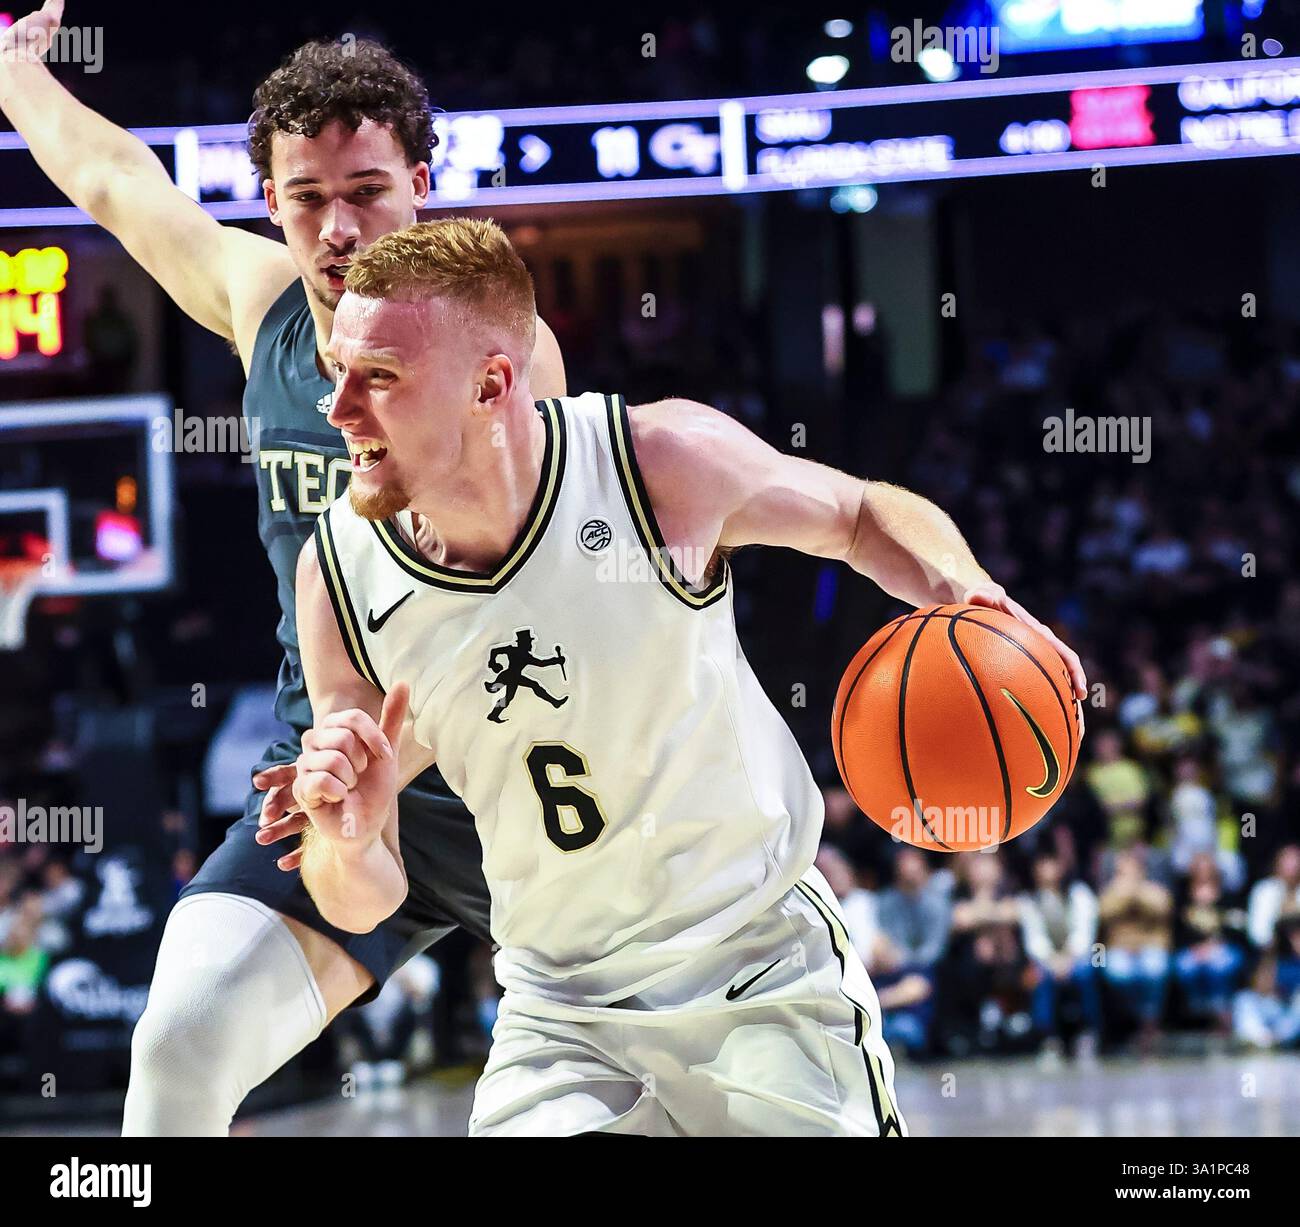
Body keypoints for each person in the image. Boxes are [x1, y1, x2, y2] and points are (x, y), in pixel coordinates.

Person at [284, 217, 1087, 1135]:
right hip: (561, 1009)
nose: (339, 408)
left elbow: (861, 515)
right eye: (338, 371)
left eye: (378, 377)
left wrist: (969, 591)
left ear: (492, 383)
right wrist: (345, 840)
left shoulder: (653, 465)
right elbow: (364, 893)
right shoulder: (339, 574)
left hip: (756, 965)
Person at [0, 3, 566, 1135]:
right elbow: (115, 178)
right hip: (331, 775)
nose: (340, 226)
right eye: (309, 198)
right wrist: (16, 77)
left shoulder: (507, 353)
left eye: (367, 191)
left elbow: (511, 608)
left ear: (419, 184)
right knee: (181, 1045)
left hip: (521, 783)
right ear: (272, 203)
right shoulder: (262, 308)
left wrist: (375, 765)